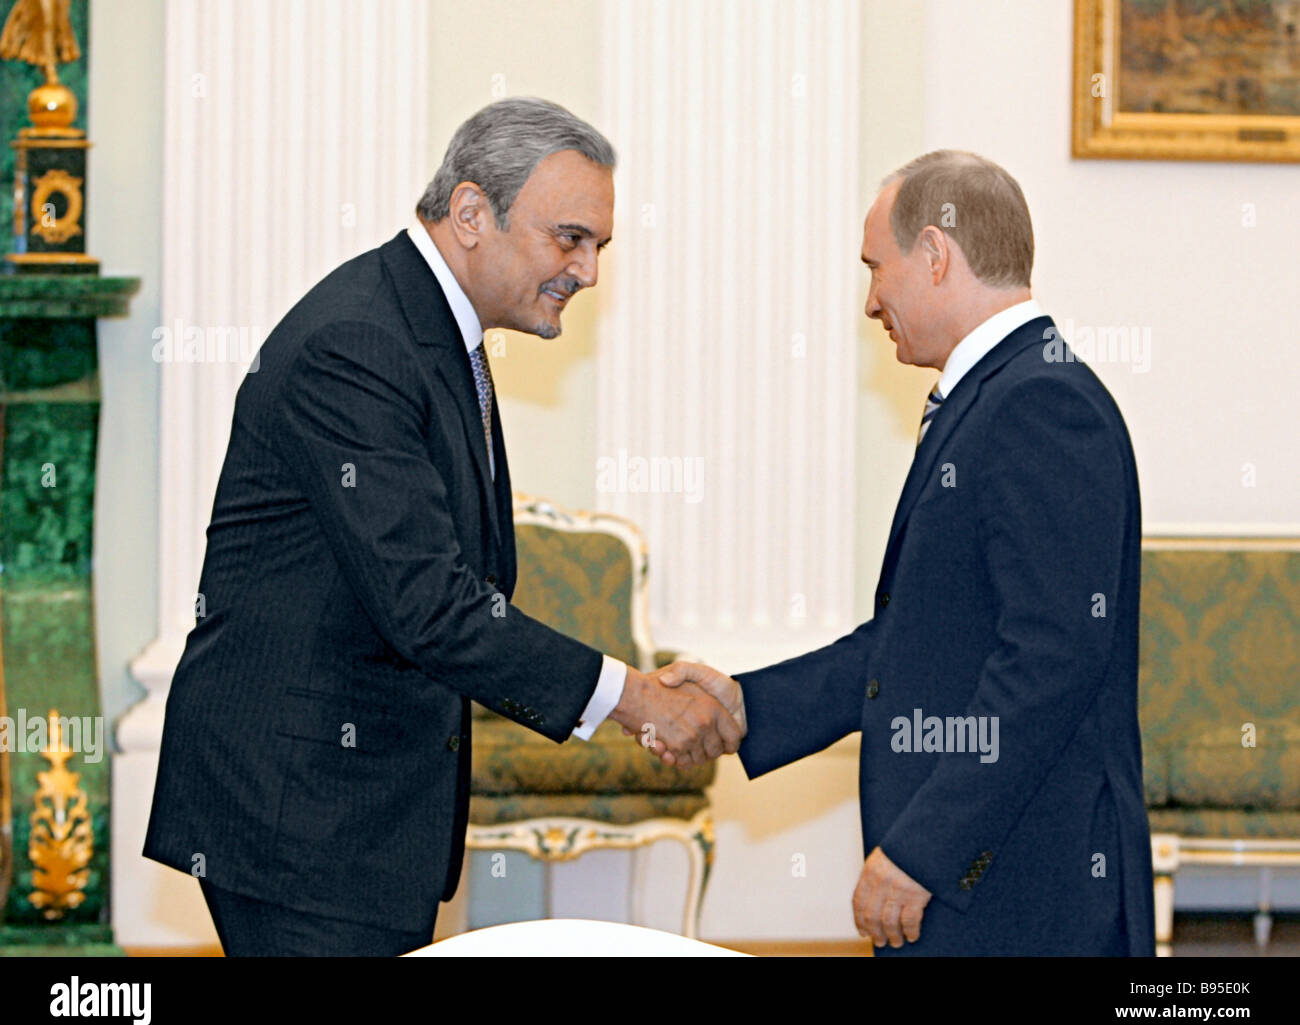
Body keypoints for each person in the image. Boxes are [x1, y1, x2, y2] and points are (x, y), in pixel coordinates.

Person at [143, 98, 743, 957]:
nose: (589, 270)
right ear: (470, 213)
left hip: (357, 811)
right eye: (570, 238)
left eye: (599, 246)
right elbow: (429, 602)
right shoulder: (359, 342)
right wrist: (634, 698)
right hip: (300, 812)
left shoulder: (427, 328)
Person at [661, 150, 1155, 956]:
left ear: (934, 253)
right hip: (988, 882)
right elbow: (915, 643)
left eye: (875, 268)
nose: (869, 303)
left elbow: (1051, 660)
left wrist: (925, 846)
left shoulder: (1041, 403)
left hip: (1027, 887)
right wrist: (750, 705)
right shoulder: (997, 395)